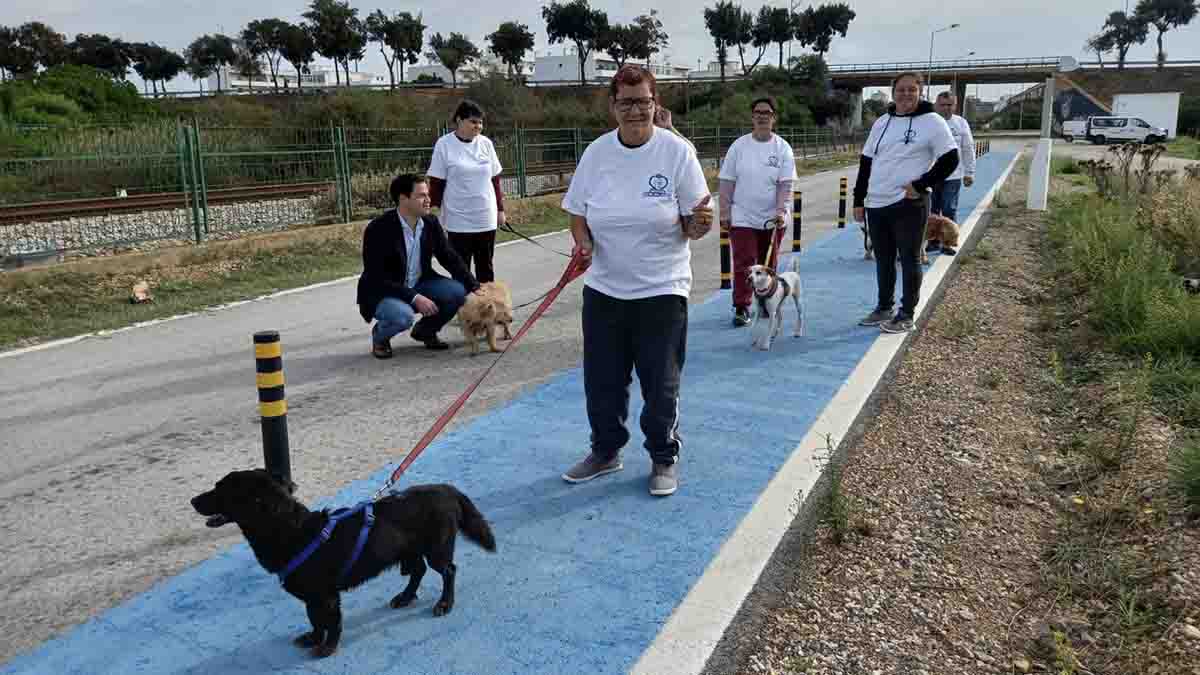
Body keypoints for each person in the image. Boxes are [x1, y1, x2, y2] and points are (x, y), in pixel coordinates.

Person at [559, 65, 713, 497]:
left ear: (654, 104)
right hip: (605, 290)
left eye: (642, 101)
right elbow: (577, 212)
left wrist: (699, 224)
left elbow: (693, 221)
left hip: (661, 290)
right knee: (602, 382)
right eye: (626, 102)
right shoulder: (597, 154)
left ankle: (663, 457)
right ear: (613, 107)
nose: (635, 110)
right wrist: (583, 243)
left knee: (660, 384)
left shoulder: (677, 153)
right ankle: (605, 452)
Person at [852, 72, 960, 334]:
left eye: (912, 89)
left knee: (910, 259)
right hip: (876, 203)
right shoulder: (882, 122)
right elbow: (866, 163)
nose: (906, 94)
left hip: (908, 204)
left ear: (920, 92)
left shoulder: (932, 121)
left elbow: (951, 159)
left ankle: (906, 314)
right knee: (884, 259)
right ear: (893, 92)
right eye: (901, 89)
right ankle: (884, 307)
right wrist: (859, 199)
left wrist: (920, 185)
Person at [356, 173, 482, 359]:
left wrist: (474, 286)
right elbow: (377, 277)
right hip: (384, 291)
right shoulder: (379, 229)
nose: (428, 200)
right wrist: (415, 297)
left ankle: (425, 331)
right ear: (403, 198)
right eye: (421, 195)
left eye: (428, 195)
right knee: (402, 317)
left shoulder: (430, 222)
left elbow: (449, 257)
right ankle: (380, 336)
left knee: (457, 292)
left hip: (420, 282)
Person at [717, 96, 798, 326]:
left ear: (774, 118)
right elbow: (726, 181)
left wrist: (781, 211)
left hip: (772, 217)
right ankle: (742, 306)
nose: (763, 116)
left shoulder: (782, 148)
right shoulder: (739, 146)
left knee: (767, 265)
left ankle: (766, 304)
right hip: (742, 215)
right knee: (745, 262)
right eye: (758, 112)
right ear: (752, 117)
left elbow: (786, 184)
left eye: (767, 112)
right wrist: (724, 212)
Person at [427, 100, 505, 284]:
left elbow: (495, 180)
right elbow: (437, 182)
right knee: (460, 269)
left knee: (486, 268)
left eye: (480, 122)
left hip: (485, 217)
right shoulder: (444, 144)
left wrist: (500, 210)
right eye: (473, 122)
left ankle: (487, 309)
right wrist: (431, 211)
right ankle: (465, 310)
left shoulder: (486, 144)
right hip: (458, 219)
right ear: (459, 120)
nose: (478, 126)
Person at [927, 92, 976, 255]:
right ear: (936, 105)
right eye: (943, 104)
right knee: (932, 212)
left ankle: (947, 243)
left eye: (950, 105)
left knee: (949, 209)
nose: (946, 108)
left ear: (955, 106)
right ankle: (932, 241)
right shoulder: (929, 122)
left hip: (953, 175)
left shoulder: (961, 124)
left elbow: (968, 148)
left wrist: (969, 172)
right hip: (931, 176)